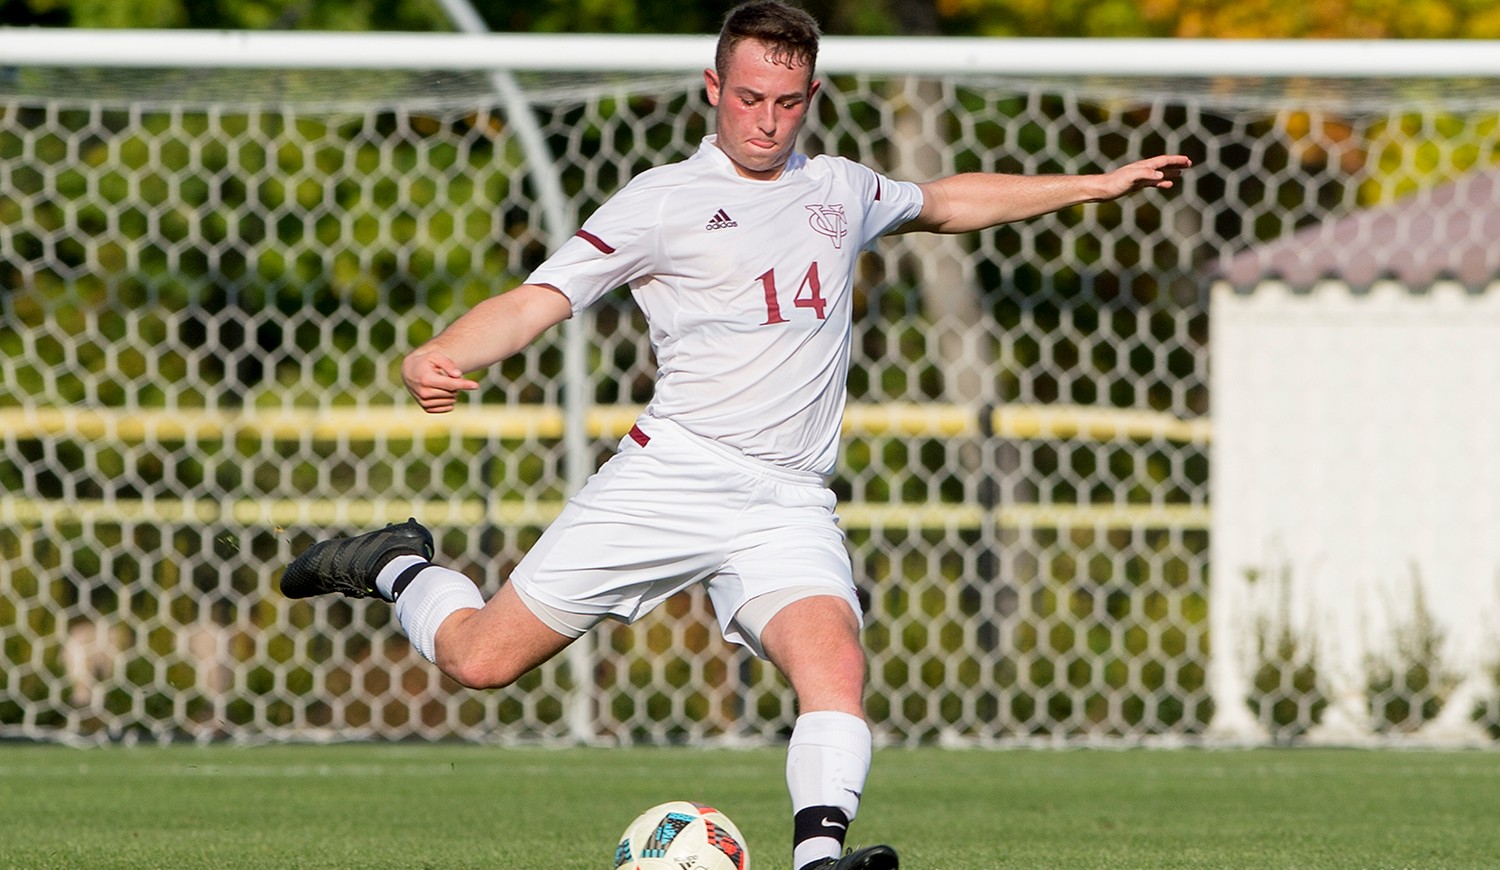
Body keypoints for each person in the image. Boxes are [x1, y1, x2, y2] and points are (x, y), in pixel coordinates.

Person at [281, 2, 1191, 868]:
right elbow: (538, 301)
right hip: (672, 478)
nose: (766, 120)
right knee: (479, 661)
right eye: (749, 98)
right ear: (712, 90)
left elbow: (946, 201)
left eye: (787, 102)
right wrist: (442, 348)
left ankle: (818, 856)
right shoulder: (663, 199)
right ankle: (397, 564)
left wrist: (1094, 185)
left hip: (789, 499)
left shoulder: (839, 188)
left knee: (833, 661)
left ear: (812, 100)